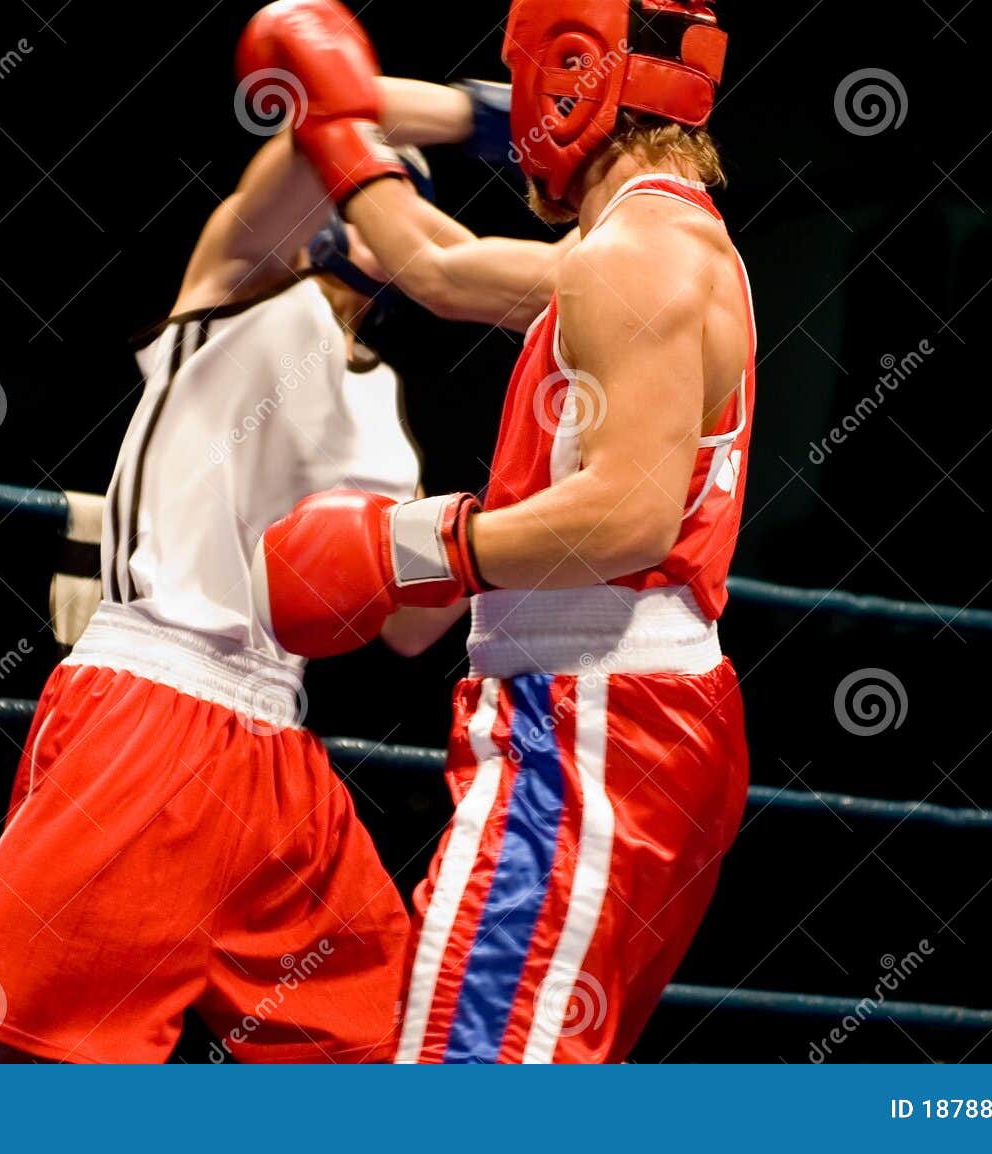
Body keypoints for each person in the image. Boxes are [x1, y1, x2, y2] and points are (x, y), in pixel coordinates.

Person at [0, 39, 571, 1062]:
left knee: (378, 1063)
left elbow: (412, 628)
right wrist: (492, 118)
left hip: (280, 754)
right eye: (365, 177)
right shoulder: (234, 290)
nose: (372, 199)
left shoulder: (379, 410)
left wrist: (511, 507)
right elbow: (306, 135)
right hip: (156, 702)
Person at [252, 0, 754, 1062]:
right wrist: (333, 122)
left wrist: (402, 546)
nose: (517, 108)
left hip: (592, 728)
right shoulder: (632, 244)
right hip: (605, 718)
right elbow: (430, 264)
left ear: (571, 81)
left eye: (526, 81)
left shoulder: (638, 257)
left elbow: (628, 512)